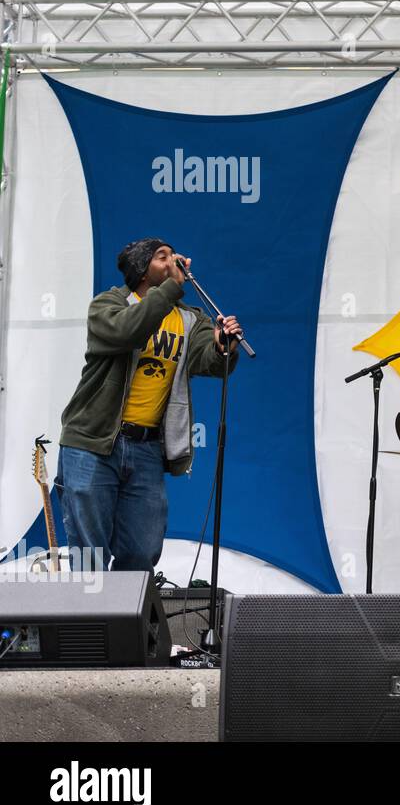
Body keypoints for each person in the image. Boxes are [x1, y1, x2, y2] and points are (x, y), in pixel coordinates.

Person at [56, 239, 242, 571]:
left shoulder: (189, 319)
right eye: (163, 257)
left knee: (142, 551)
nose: (175, 261)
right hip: (92, 442)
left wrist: (222, 347)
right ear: (142, 269)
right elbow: (127, 331)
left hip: (146, 449)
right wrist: (171, 288)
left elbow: (209, 362)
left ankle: (124, 621)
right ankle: (88, 622)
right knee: (89, 555)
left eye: (175, 256)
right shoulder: (110, 304)